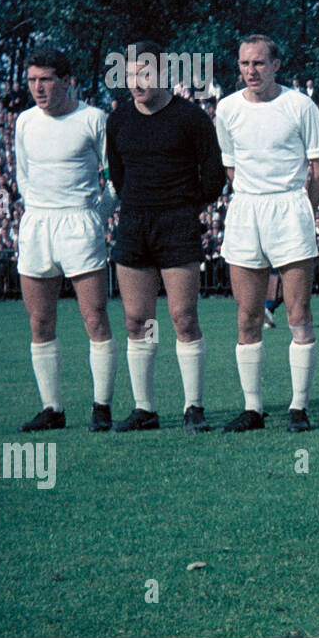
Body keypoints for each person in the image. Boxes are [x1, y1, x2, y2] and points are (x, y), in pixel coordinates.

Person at [106, 41, 226, 432]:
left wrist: (185, 206)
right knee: (138, 320)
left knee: (183, 318)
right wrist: (139, 204)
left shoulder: (190, 118)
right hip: (134, 225)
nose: (136, 82)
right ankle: (146, 409)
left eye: (145, 72)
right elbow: (118, 174)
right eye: (130, 74)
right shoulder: (119, 119)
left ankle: (194, 407)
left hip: (177, 225)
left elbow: (214, 176)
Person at [215, 34, 319, 432]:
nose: (251, 71)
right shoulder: (226, 108)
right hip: (246, 211)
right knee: (248, 316)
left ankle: (299, 407)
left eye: (259, 63)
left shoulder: (300, 106)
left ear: (276, 65)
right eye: (245, 64)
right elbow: (230, 168)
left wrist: (301, 208)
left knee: (298, 314)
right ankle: (253, 409)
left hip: (290, 208)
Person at [13, 47, 117, 433]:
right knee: (40, 321)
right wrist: (35, 211)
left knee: (95, 318)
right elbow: (23, 174)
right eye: (32, 81)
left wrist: (95, 217)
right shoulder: (24, 122)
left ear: (66, 80)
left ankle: (102, 407)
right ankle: (52, 409)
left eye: (46, 79)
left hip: (80, 224)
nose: (38, 88)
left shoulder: (93, 119)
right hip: (37, 224)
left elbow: (115, 178)